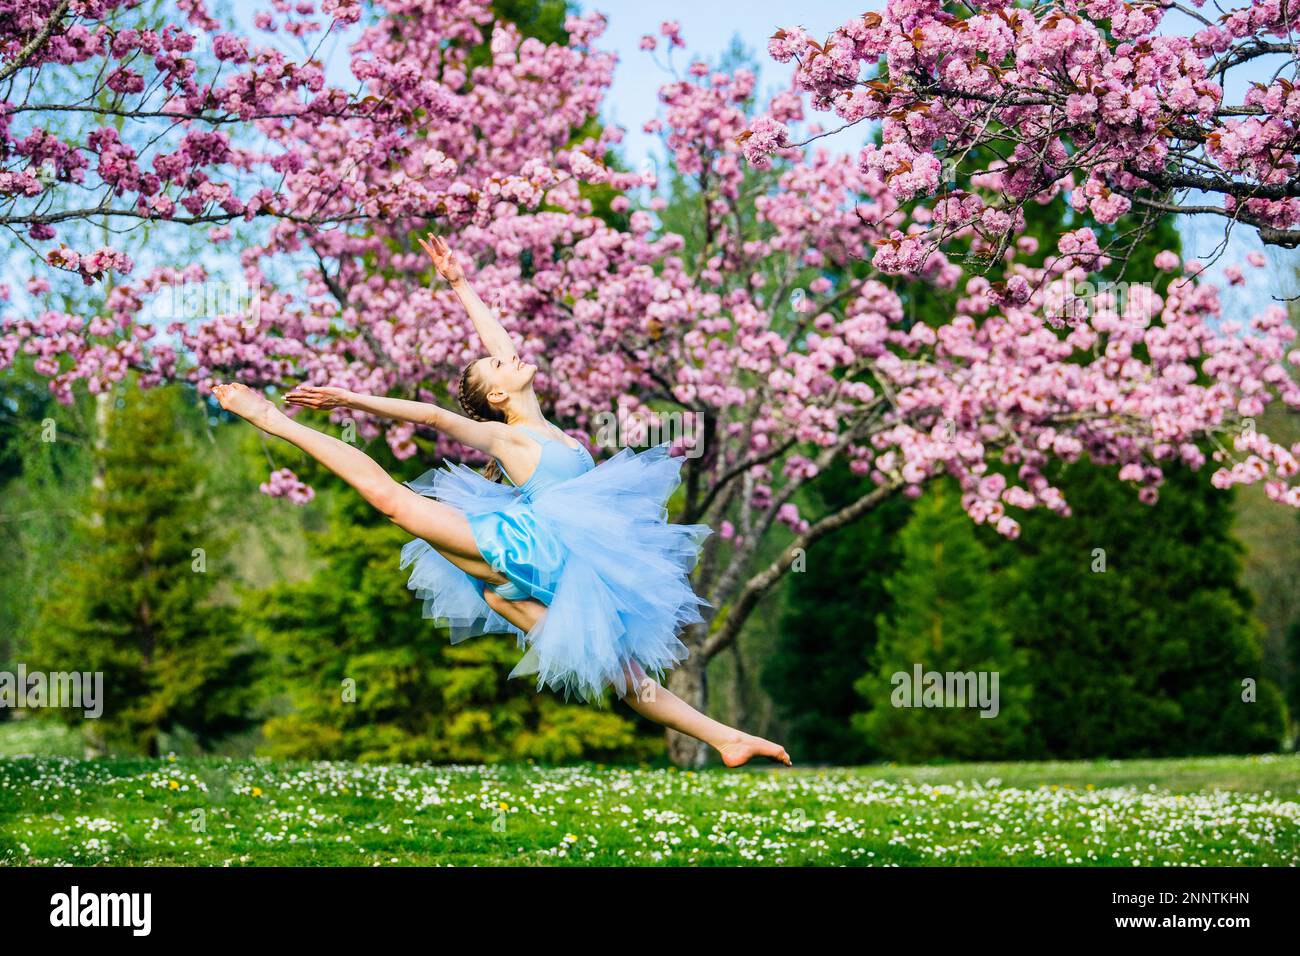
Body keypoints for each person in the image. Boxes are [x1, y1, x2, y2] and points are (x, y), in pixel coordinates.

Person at [213, 234, 790, 767]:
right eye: (498, 364)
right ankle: (273, 420)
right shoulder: (507, 435)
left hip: (563, 564)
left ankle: (724, 737)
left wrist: (460, 283)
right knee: (395, 504)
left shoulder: (540, 424)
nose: (510, 356)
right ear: (496, 394)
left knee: (624, 674)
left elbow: (499, 344)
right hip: (530, 548)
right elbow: (437, 415)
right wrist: (354, 400)